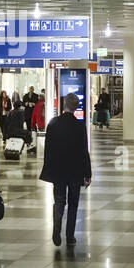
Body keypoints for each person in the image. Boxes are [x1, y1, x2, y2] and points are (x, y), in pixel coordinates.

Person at [39, 93, 91, 246]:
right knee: (73, 204)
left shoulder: (53, 123)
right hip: (75, 171)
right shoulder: (79, 126)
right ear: (76, 107)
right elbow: (84, 151)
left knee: (59, 200)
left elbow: (48, 149)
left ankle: (56, 229)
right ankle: (70, 235)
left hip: (58, 169)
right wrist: (87, 174)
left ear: (64, 105)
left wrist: (48, 168)